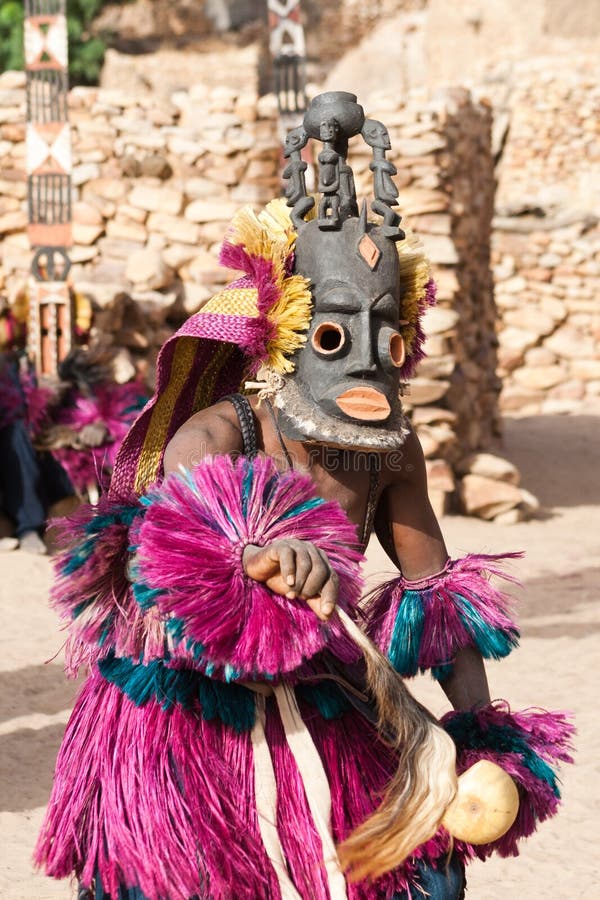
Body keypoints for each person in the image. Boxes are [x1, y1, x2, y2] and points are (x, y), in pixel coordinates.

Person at [36, 93, 572, 900]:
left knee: (429, 880)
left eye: (384, 335)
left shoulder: (391, 451)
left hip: (326, 700)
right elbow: (180, 561)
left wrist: (475, 734)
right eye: (334, 334)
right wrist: (257, 556)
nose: (363, 361)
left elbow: (438, 597)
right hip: (189, 723)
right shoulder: (218, 438)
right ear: (287, 327)